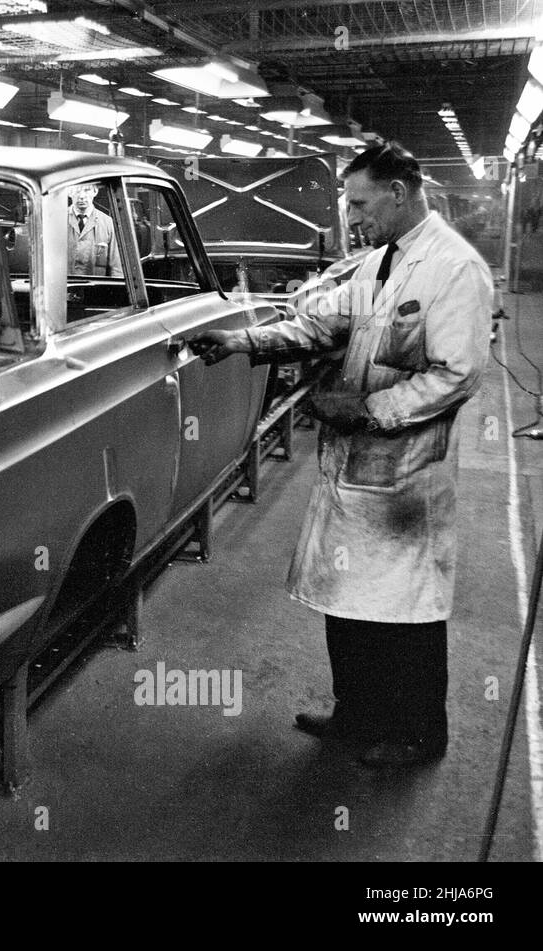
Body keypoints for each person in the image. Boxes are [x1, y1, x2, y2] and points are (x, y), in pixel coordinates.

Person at [189, 143, 491, 768]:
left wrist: (363, 410)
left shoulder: (454, 269)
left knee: (403, 617)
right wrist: (240, 340)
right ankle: (355, 716)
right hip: (353, 471)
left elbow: (457, 375)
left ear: (399, 193)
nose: (350, 216)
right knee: (349, 603)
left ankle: (416, 737)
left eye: (358, 202)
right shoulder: (376, 263)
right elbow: (318, 326)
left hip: (406, 476)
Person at [68, 185, 122, 277]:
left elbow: (116, 268)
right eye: (76, 191)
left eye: (86, 190)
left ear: (95, 191)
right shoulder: (57, 221)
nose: (81, 196)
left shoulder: (108, 223)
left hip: (95, 289)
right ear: (69, 193)